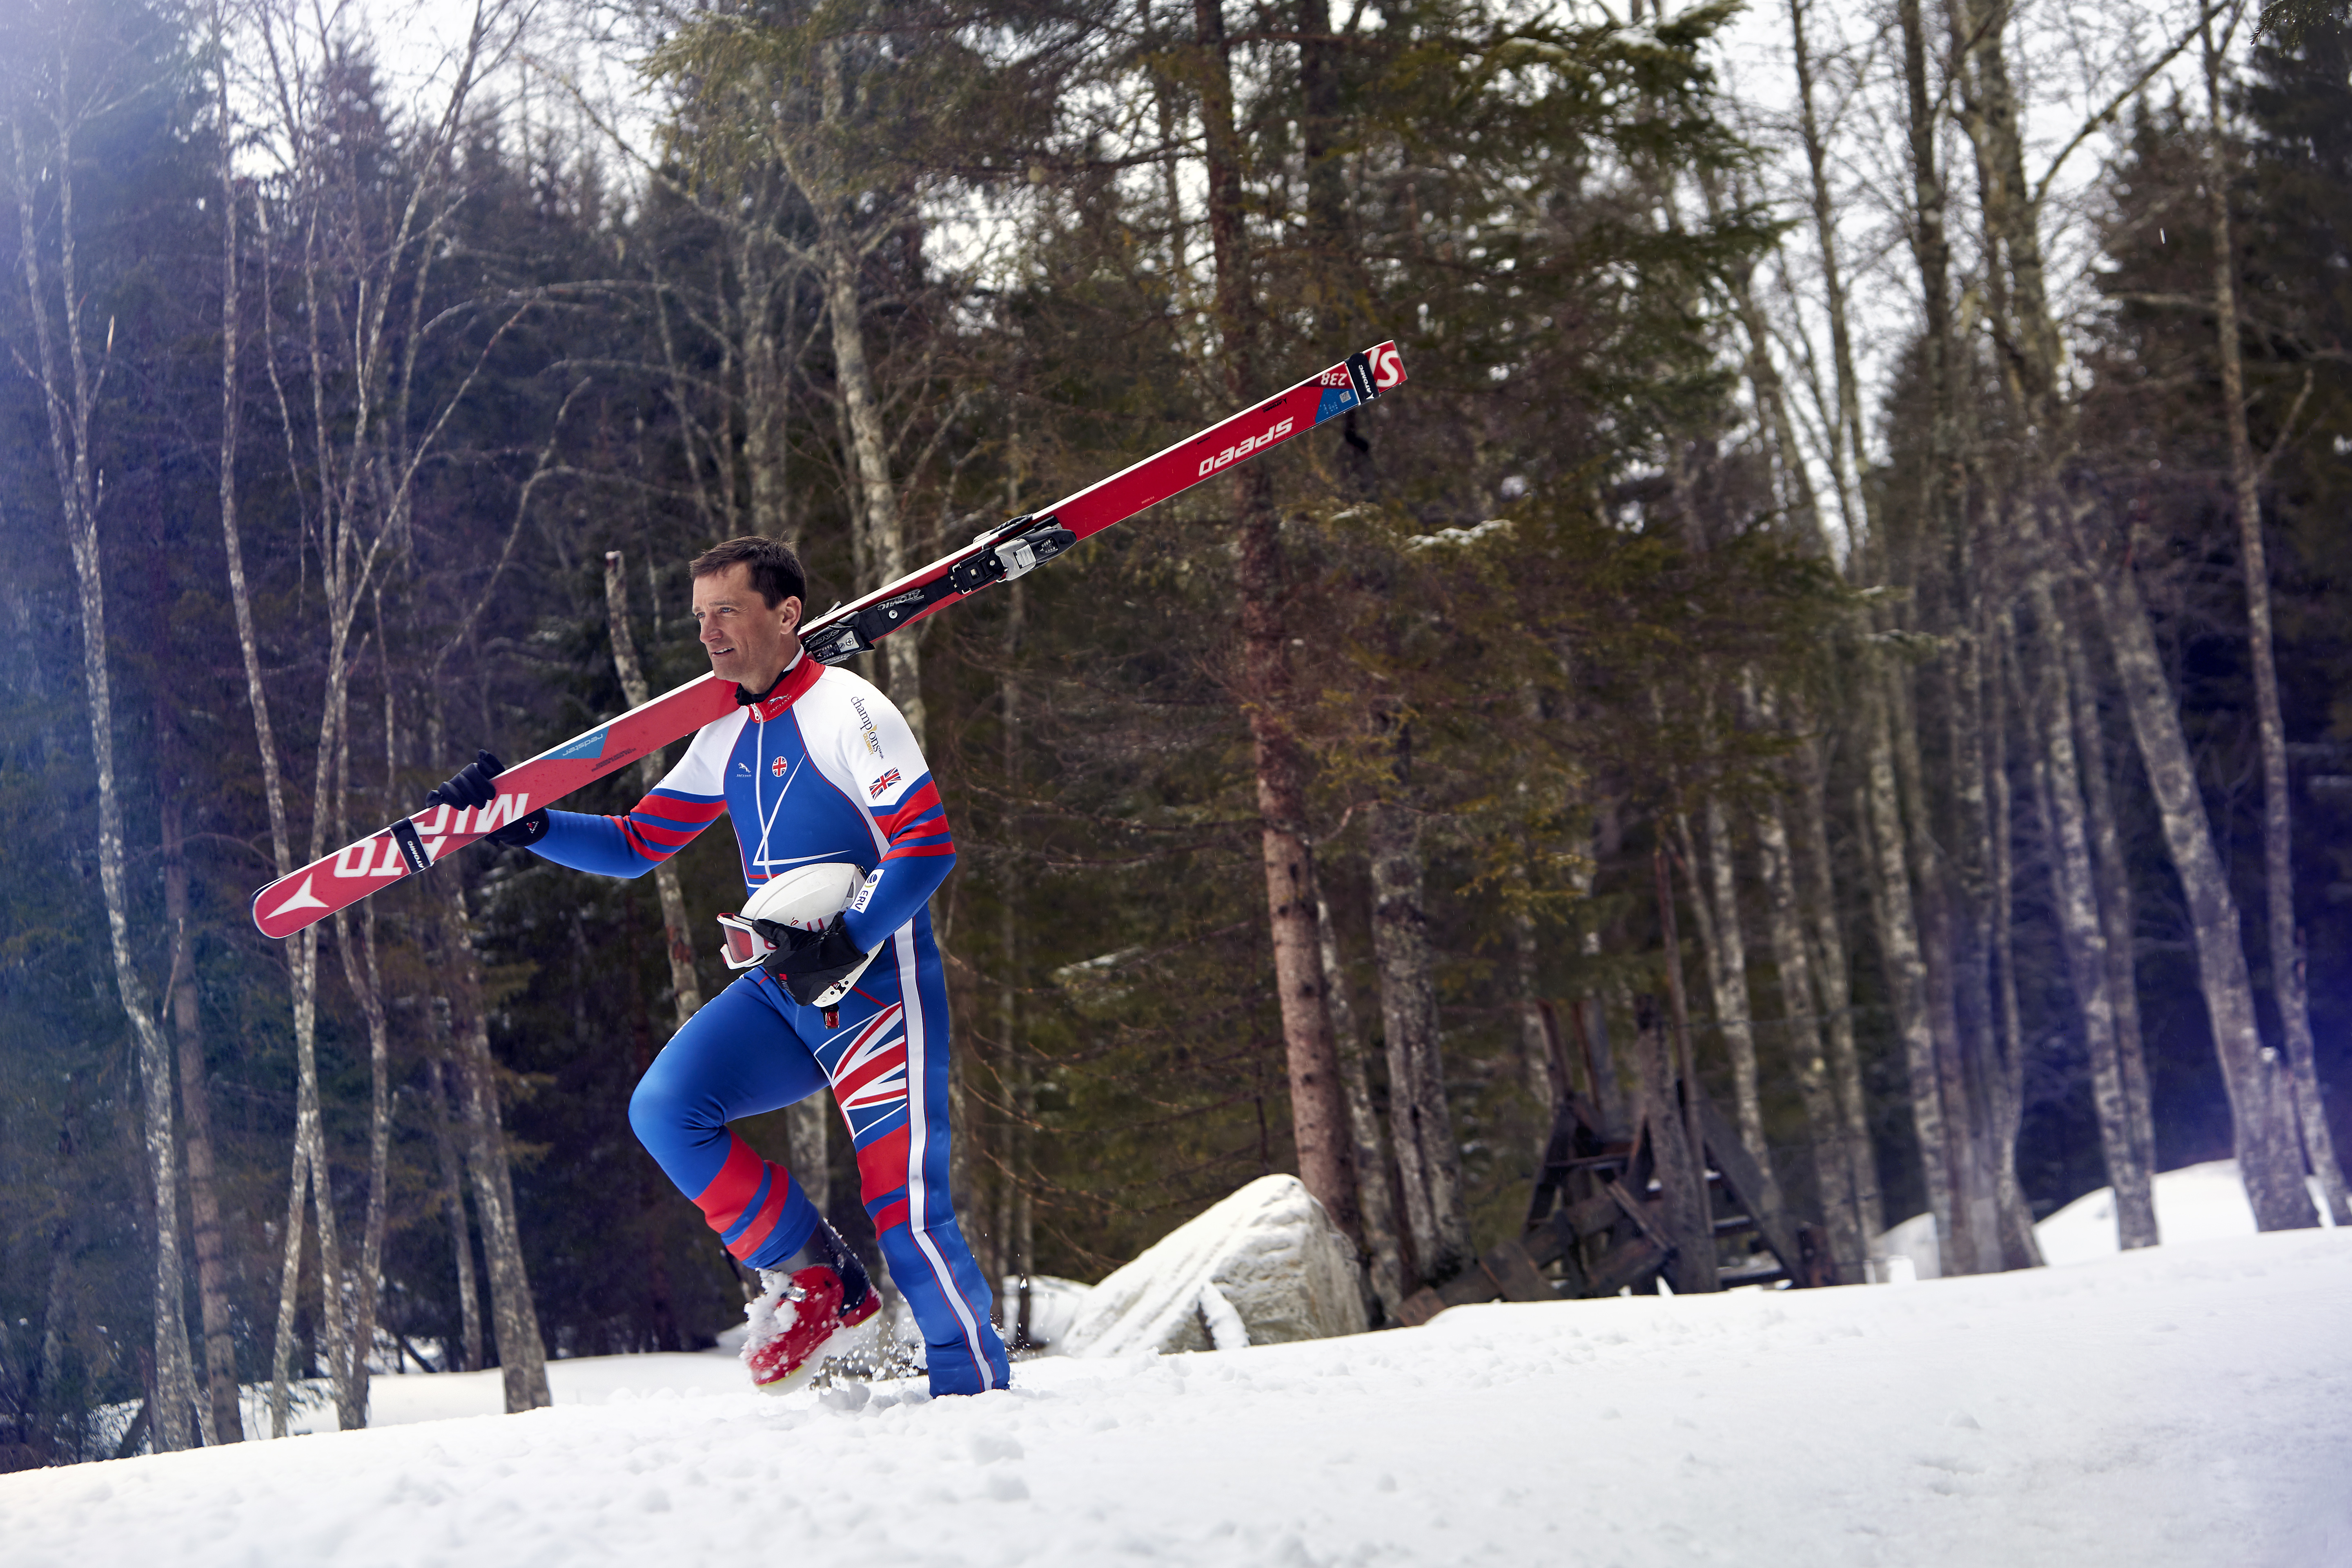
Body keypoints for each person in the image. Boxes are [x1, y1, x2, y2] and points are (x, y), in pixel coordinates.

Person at [428, 535, 1010, 1397]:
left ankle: (973, 1396)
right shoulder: (726, 726)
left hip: (878, 990)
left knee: (907, 1212)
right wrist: (525, 824)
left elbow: (926, 846)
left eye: (727, 611)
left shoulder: (852, 711)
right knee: (667, 1110)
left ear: (787, 614)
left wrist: (850, 941)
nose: (708, 634)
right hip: (786, 989)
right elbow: (638, 843)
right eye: (700, 617)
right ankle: (816, 1279)